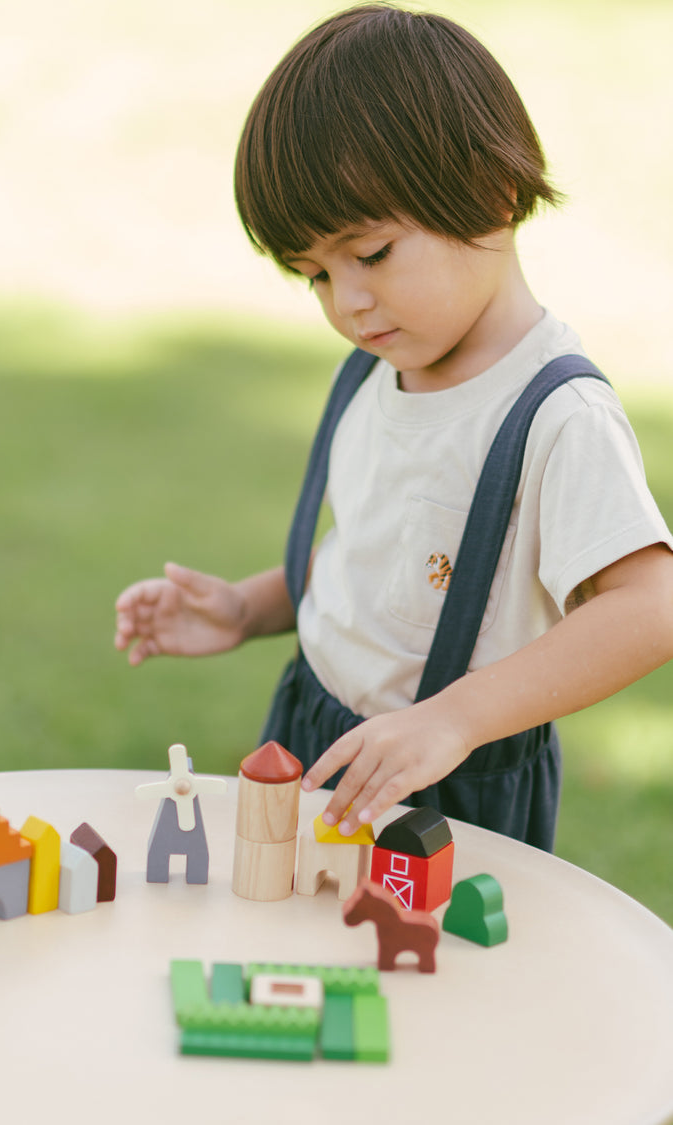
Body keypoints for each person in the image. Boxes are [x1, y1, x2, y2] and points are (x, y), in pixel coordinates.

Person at [114, 4, 673, 851]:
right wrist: (247, 608)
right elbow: (383, 564)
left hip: (445, 784)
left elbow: (649, 607)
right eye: (314, 276)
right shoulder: (380, 369)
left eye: (370, 254)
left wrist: (456, 719)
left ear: (494, 191)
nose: (348, 301)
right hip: (314, 724)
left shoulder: (556, 416)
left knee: (416, 979)